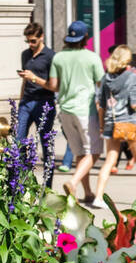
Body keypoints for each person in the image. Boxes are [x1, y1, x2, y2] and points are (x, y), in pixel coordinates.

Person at [23, 20, 104, 203]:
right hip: (85, 109)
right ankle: (73, 182)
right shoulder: (92, 57)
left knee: (81, 153)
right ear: (86, 37)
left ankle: (88, 192)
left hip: (65, 110)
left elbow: (53, 86)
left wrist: (34, 79)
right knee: (95, 152)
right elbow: (102, 84)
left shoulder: (59, 57)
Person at [92, 46, 136, 208]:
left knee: (109, 161)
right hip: (128, 123)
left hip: (111, 123)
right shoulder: (131, 77)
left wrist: (101, 126)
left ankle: (98, 196)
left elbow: (101, 105)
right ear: (127, 59)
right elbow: (134, 104)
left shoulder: (106, 78)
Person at [15, 23, 55, 176]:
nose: (30, 45)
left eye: (33, 41)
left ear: (41, 37)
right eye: (28, 41)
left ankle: (48, 182)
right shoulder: (25, 54)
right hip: (26, 102)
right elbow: (25, 81)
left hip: (44, 101)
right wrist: (20, 100)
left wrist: (34, 78)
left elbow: (54, 86)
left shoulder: (51, 56)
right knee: (19, 140)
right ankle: (22, 177)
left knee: (46, 143)